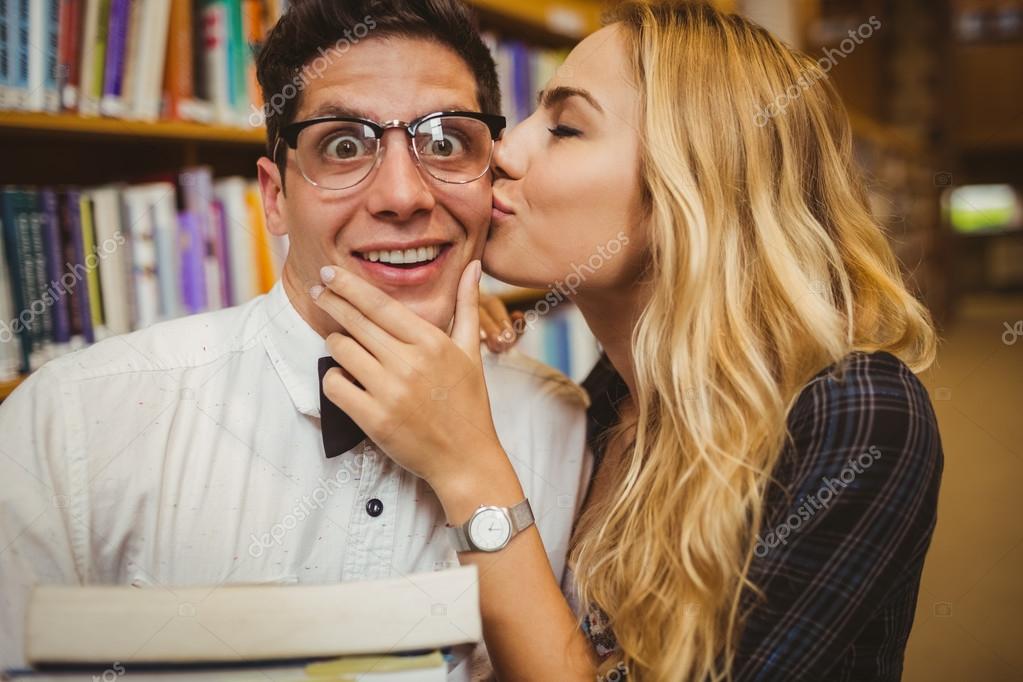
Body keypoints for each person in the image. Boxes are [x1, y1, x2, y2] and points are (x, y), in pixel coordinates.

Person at [308, 1, 944, 680]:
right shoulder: (611, 397)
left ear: (693, 183)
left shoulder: (861, 415)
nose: (503, 151)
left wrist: (471, 472)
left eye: (564, 127)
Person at [0, 1, 590, 676]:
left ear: (492, 173)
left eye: (445, 141)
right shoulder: (70, 426)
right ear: (274, 196)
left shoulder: (567, 426)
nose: (403, 195)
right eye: (343, 145)